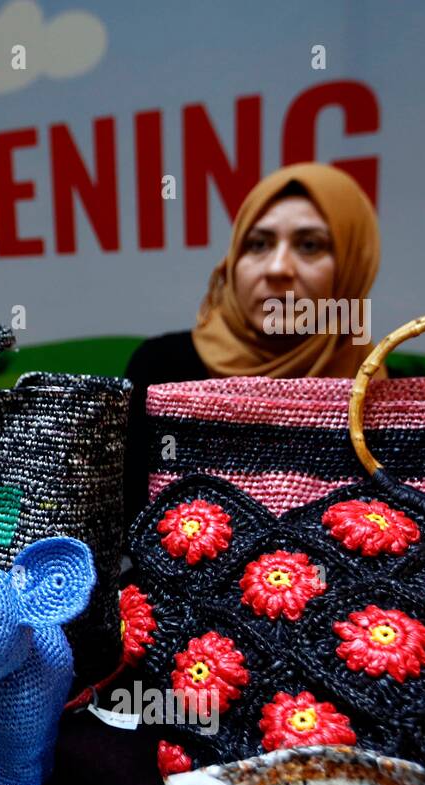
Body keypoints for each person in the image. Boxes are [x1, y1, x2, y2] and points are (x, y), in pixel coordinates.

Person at [122, 162, 381, 519]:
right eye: (257, 244)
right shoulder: (163, 369)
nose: (277, 268)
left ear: (354, 265)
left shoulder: (374, 388)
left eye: (309, 245)